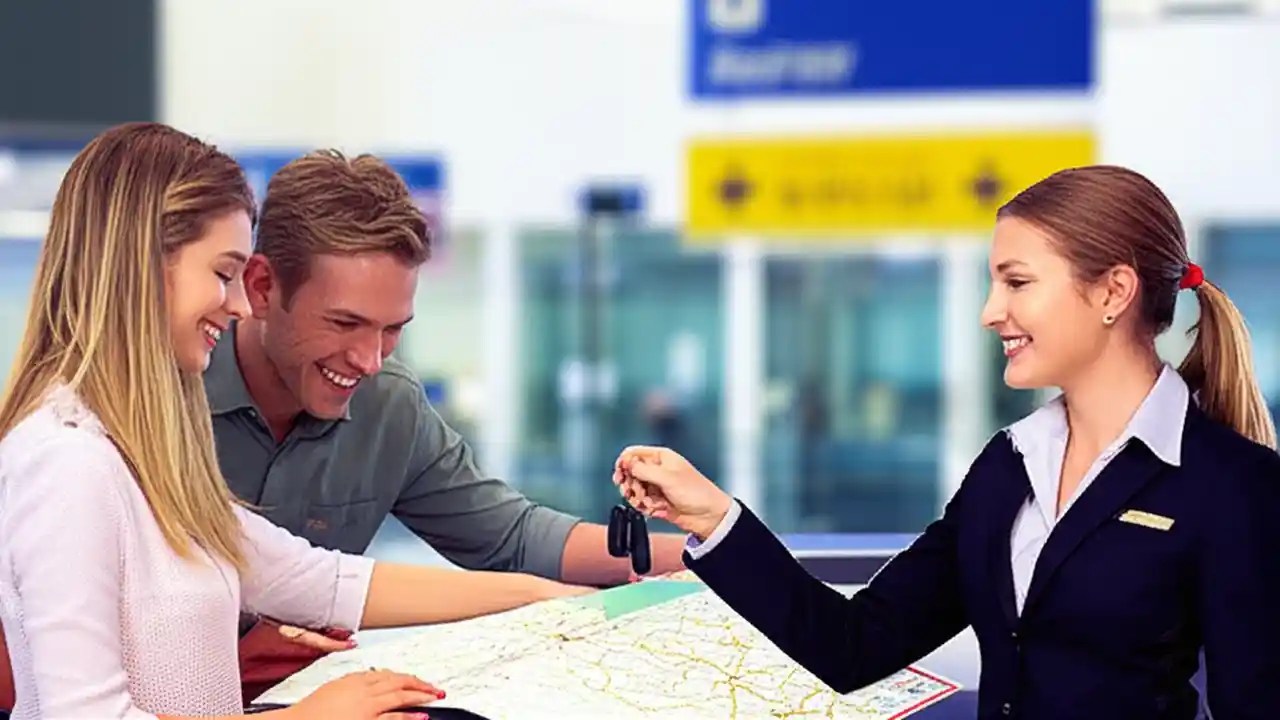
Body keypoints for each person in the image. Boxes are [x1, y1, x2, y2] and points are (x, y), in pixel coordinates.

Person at [612, 166, 1280, 719]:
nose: (991, 311)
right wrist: (710, 516)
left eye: (1017, 282)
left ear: (1114, 290)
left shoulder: (1234, 487)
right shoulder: (1008, 467)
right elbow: (856, 645)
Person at [0, 122, 590, 719]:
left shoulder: (147, 451)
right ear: (143, 266)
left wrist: (547, 597)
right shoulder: (65, 459)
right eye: (222, 273)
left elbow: (319, 581)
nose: (236, 305)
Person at [210, 150, 688, 694]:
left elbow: (512, 537)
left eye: (393, 329)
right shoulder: (155, 401)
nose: (369, 359)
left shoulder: (389, 406)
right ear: (263, 287)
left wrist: (717, 557)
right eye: (345, 323)